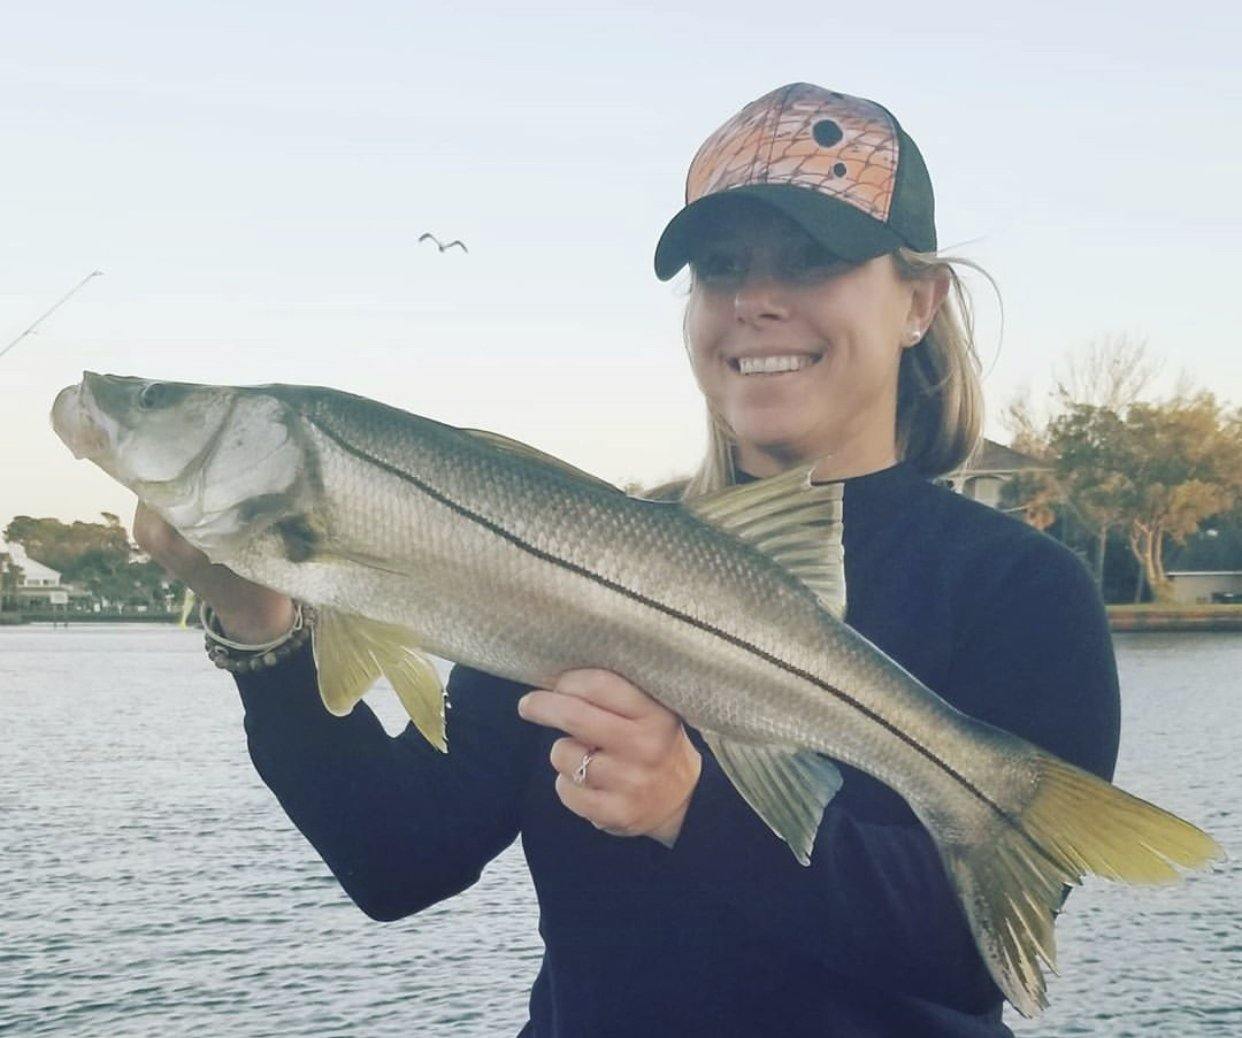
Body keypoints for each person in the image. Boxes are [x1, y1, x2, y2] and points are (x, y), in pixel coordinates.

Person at [136, 83, 1120, 1036]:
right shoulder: (577, 549)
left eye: (813, 261)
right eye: (723, 268)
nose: (757, 302)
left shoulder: (1021, 589)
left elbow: (969, 956)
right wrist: (263, 636)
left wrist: (693, 810)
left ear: (919, 303)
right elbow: (400, 858)